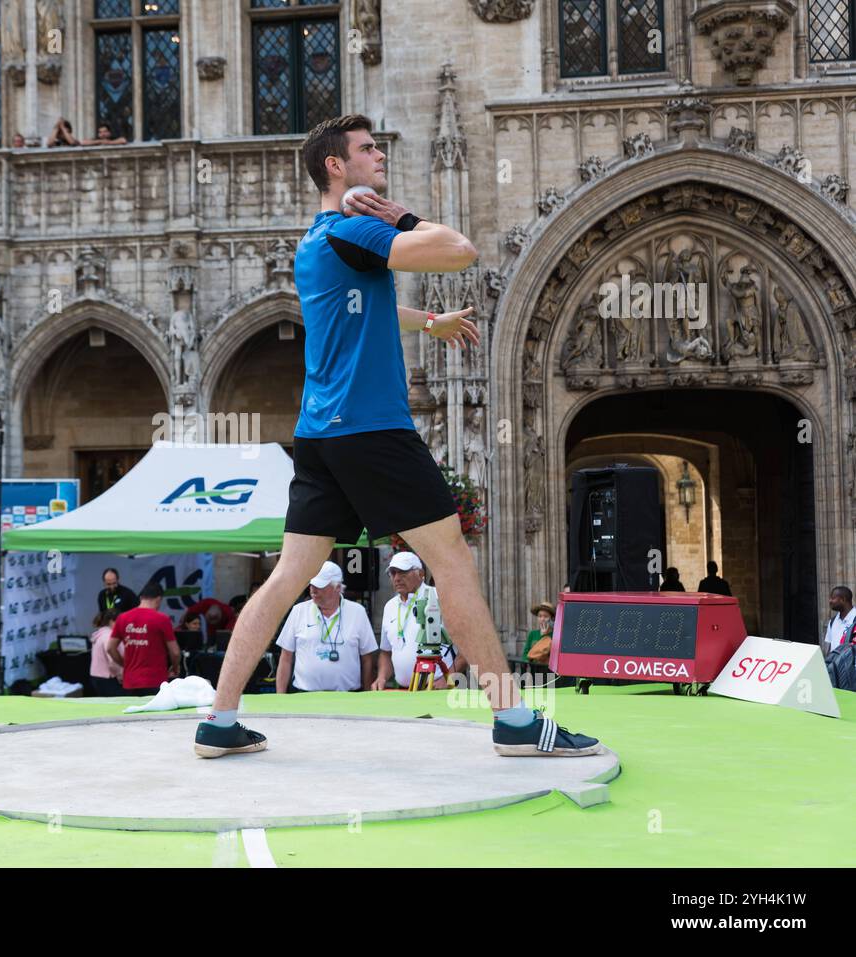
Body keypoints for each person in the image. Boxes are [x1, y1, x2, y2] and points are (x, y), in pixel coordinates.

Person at [194, 113, 601, 759]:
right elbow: (460, 249)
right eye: (366, 149)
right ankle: (515, 719)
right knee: (454, 562)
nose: (378, 155)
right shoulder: (357, 228)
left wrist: (430, 320)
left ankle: (218, 720)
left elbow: (360, 307)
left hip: (320, 435)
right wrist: (404, 217)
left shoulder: (316, 243)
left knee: (288, 575)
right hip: (373, 428)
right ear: (336, 166)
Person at [275, 561, 377, 693]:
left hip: (348, 697)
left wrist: (367, 695)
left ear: (338, 587)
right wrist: (280, 696)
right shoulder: (298, 611)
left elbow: (367, 658)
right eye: (312, 584)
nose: (313, 589)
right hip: (305, 696)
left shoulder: (358, 612)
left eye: (319, 585)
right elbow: (285, 657)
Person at [372, 551, 464, 690]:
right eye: (393, 573)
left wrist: (448, 679)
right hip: (403, 691)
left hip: (436, 689)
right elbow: (386, 652)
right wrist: (382, 677)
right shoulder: (389, 606)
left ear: (421, 574)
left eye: (403, 572)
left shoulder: (440, 598)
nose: (397, 578)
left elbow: (467, 648)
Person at [107, 583, 180, 696]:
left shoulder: (123, 618)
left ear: (141, 598)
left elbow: (110, 648)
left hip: (130, 681)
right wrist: (175, 667)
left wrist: (125, 665)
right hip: (155, 681)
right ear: (159, 599)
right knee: (155, 714)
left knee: (132, 713)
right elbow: (175, 652)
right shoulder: (162, 619)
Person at [89, 608, 123, 696]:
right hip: (108, 678)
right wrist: (120, 675)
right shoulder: (109, 636)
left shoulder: (100, 634)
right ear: (112, 621)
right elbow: (112, 660)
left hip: (96, 677)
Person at [823, 586, 856, 658]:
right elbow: (828, 646)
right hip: (835, 666)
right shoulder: (832, 621)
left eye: (833, 598)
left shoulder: (854, 618)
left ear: (843, 599)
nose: (830, 601)